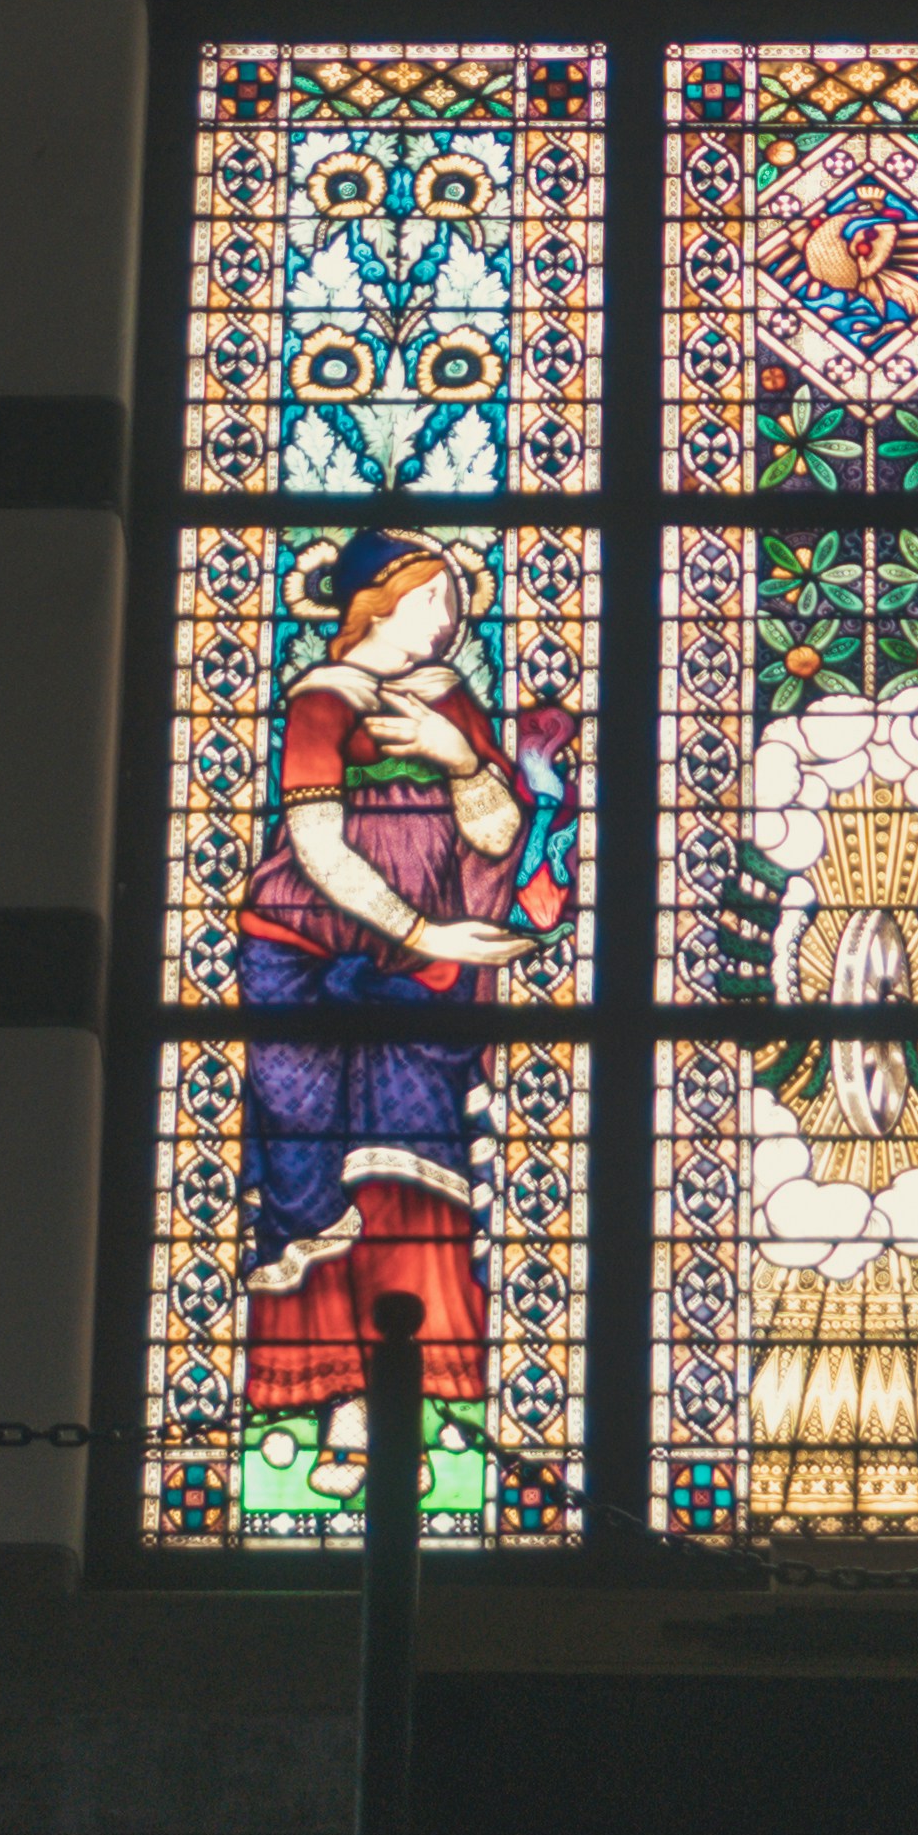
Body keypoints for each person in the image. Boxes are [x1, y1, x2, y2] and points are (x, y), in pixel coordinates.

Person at [235, 529, 561, 1500]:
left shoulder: (450, 701)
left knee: (414, 1180)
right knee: (314, 1181)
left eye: (459, 601)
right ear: (383, 598)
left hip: (418, 983)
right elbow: (319, 850)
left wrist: (464, 759)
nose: (451, 617)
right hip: (301, 964)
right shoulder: (322, 702)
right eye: (435, 598)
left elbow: (500, 830)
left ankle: (394, 1406)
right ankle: (333, 1397)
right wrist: (427, 930)